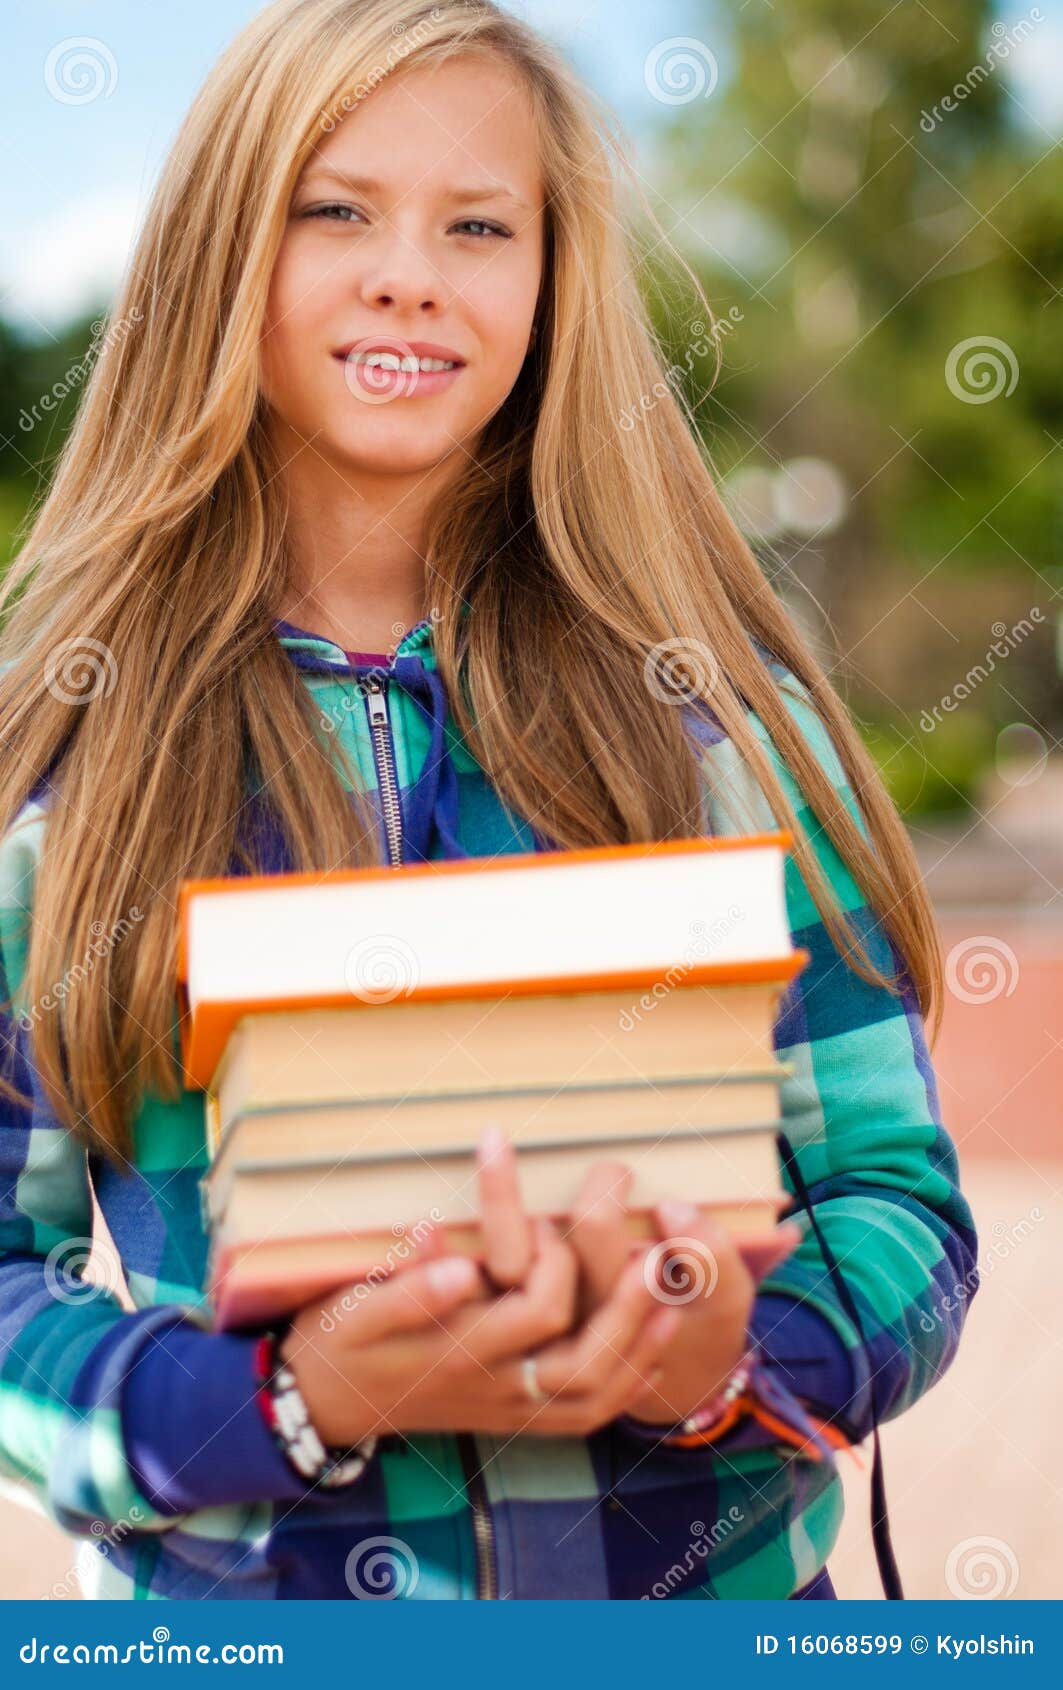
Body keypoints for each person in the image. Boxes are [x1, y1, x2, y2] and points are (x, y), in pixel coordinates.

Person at [0, 0, 977, 1601]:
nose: (411, 272)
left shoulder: (727, 730)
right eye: (335, 209)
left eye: (478, 224)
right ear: (209, 254)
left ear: (550, 280)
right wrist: (295, 1397)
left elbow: (903, 1207)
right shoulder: (55, 766)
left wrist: (725, 1351)